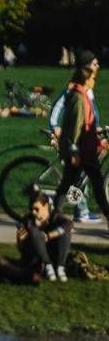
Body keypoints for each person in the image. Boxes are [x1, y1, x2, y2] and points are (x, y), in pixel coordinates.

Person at [54, 57, 108, 227]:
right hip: (83, 152)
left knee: (68, 187)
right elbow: (76, 129)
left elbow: (85, 126)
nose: (94, 81)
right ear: (86, 79)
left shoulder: (80, 96)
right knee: (95, 188)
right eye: (93, 78)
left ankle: (57, 217)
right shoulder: (79, 99)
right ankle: (58, 217)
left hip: (84, 150)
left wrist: (96, 132)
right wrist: (74, 151)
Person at [17, 191, 73, 283]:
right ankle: (48, 266)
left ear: (46, 206)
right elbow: (22, 249)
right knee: (34, 232)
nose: (33, 212)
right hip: (35, 258)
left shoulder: (54, 216)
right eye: (31, 209)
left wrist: (50, 235)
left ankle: (60, 267)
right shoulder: (28, 220)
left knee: (66, 233)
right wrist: (20, 241)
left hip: (53, 252)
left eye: (36, 209)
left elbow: (69, 224)